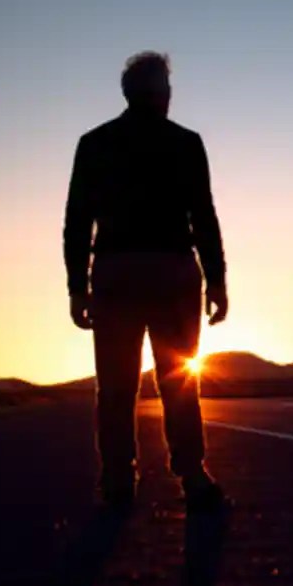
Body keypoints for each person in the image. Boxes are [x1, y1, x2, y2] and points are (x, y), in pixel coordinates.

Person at [63, 51, 227, 508]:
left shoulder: (95, 144)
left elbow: (77, 222)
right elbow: (204, 216)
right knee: (178, 382)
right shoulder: (185, 143)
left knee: (116, 386)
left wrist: (77, 286)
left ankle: (118, 479)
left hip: (116, 274)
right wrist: (217, 280)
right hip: (172, 272)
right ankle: (192, 474)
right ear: (162, 94)